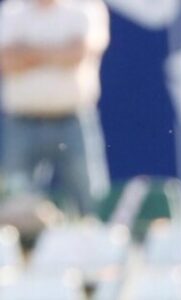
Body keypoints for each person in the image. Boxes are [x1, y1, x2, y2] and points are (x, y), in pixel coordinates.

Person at [0, 0, 110, 216]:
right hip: (21, 123)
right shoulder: (11, 11)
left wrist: (27, 52)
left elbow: (78, 54)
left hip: (73, 121)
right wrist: (58, 52)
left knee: (90, 201)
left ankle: (97, 249)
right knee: (14, 204)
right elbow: (6, 60)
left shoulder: (86, 8)